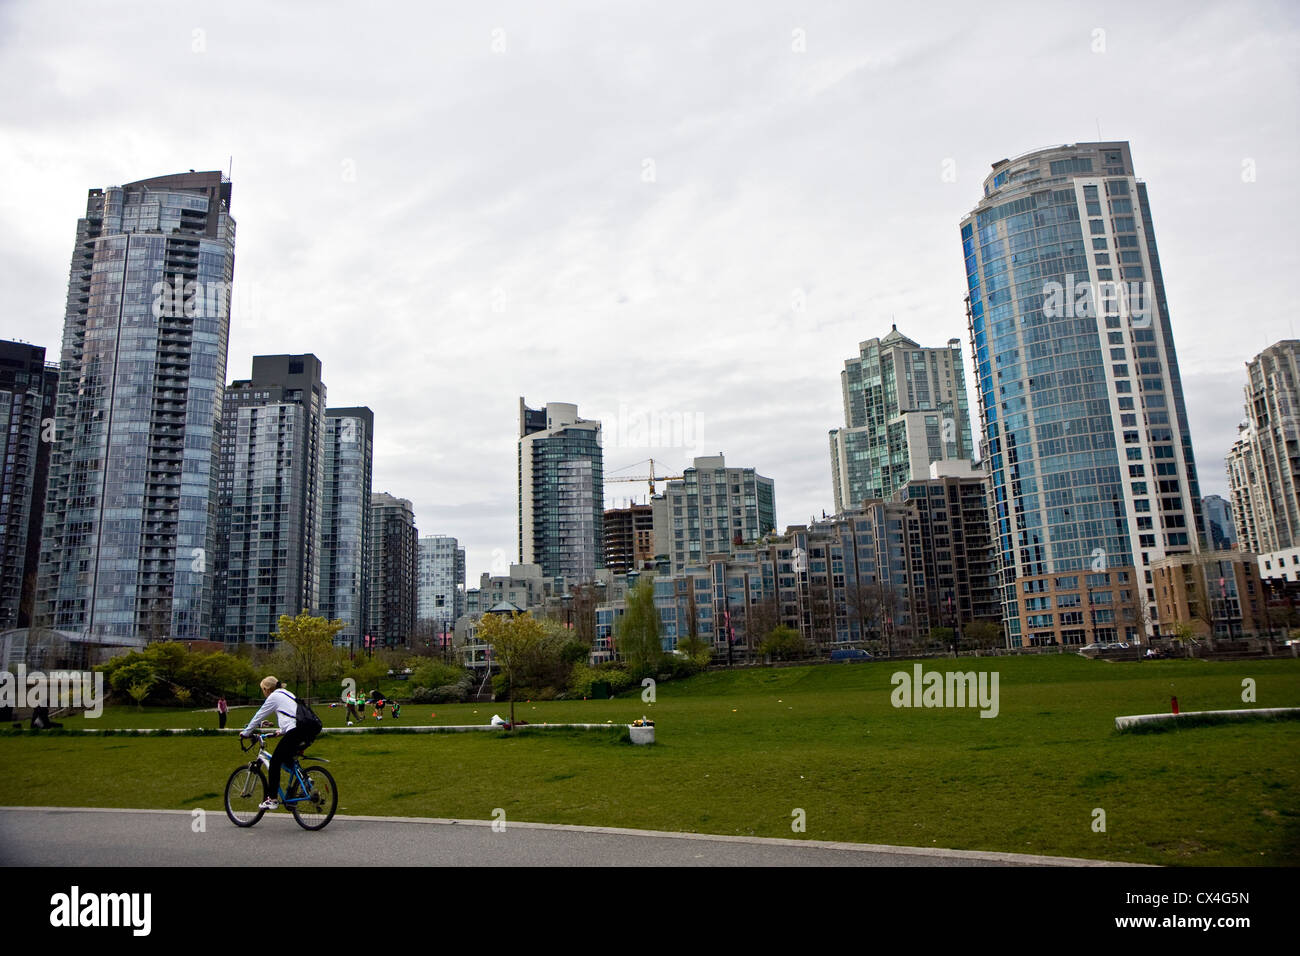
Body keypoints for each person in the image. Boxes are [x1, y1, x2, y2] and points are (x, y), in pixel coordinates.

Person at [240, 676, 312, 811]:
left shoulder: (274, 696)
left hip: (295, 731)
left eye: (263, 690)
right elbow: (292, 715)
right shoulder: (287, 693)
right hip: (308, 729)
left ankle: (272, 799)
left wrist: (246, 732)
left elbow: (259, 715)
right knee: (287, 759)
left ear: (267, 689)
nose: (263, 692)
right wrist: (282, 731)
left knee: (274, 762)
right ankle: (305, 784)